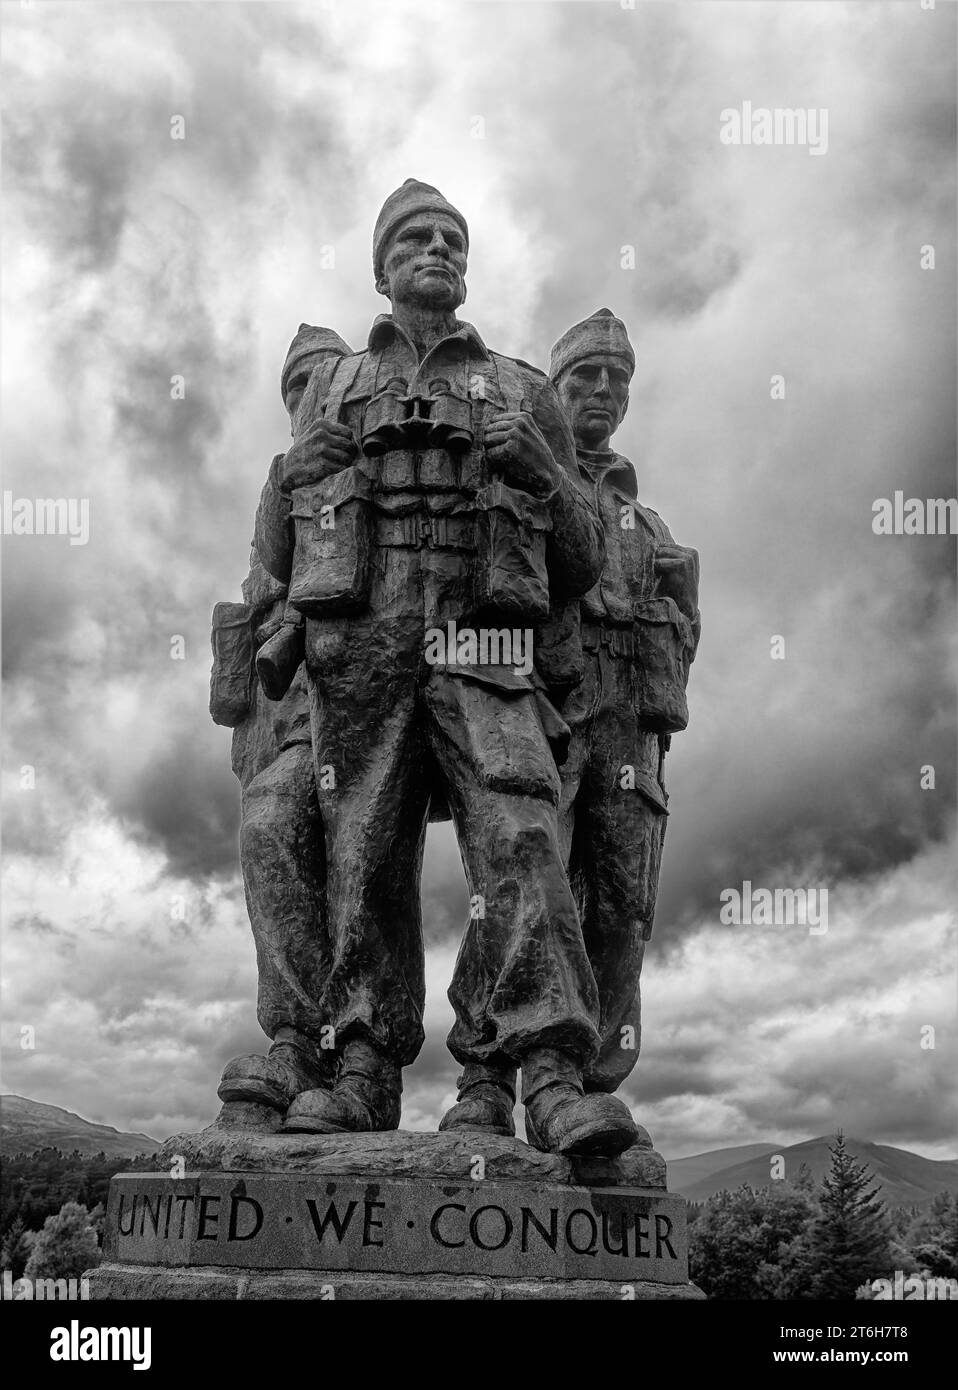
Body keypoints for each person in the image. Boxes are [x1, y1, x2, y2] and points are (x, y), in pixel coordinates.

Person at [255, 181, 638, 1155]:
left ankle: (547, 1069)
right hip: (368, 646)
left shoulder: (522, 389)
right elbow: (284, 540)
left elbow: (584, 562)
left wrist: (545, 476)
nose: (437, 250)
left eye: (452, 239)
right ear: (380, 268)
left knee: (521, 835)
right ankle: (359, 1065)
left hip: (483, 643)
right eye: (415, 239)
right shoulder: (334, 385)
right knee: (361, 855)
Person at [550, 308, 700, 1095]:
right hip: (548, 712)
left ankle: (595, 1086)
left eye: (619, 379)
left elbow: (678, 668)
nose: (604, 390)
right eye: (587, 374)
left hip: (630, 736)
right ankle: (494, 1077)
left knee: (623, 908)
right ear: (556, 384)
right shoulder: (531, 482)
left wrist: (688, 606)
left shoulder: (650, 525)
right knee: (529, 890)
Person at [212, 328, 352, 1113]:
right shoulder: (282, 497)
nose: (309, 398)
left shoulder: (365, 478)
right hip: (280, 728)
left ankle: (498, 1075)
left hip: (365, 715)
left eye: (322, 381)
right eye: (296, 387)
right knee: (272, 835)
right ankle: (301, 1042)